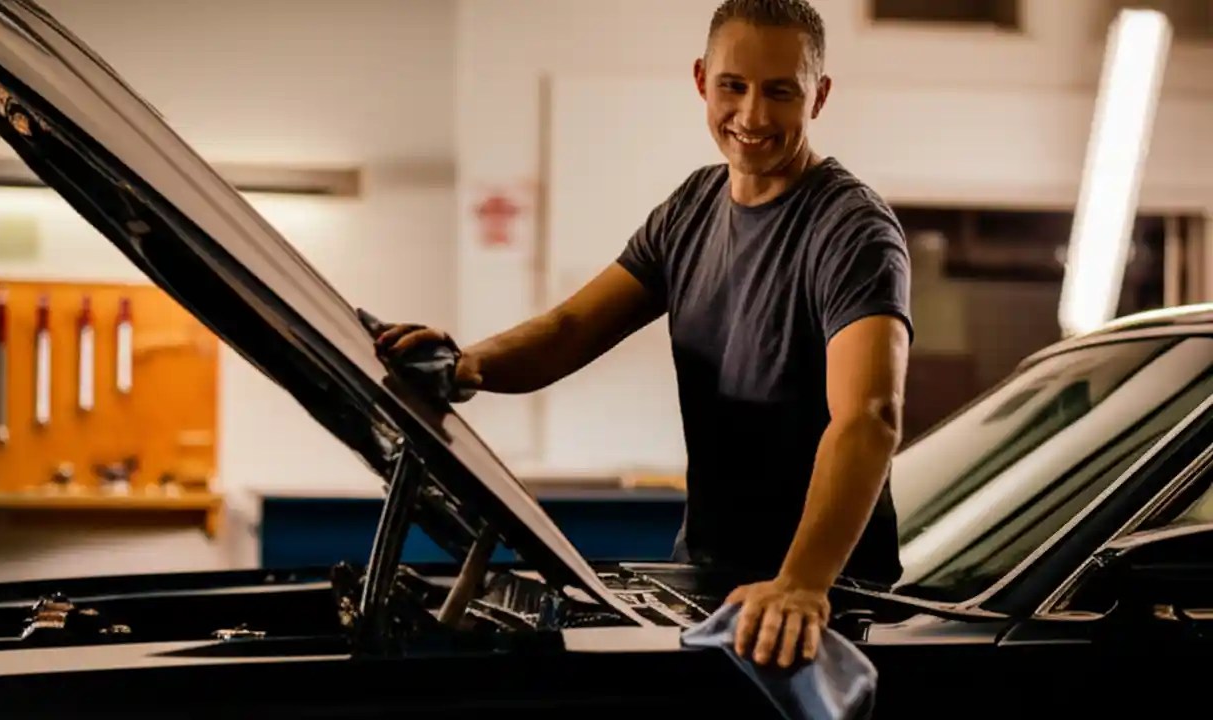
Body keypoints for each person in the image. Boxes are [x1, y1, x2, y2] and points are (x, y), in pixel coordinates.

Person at [375, 0, 912, 670]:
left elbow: (867, 416)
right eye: (733, 86)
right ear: (700, 81)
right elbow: (572, 327)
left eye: (781, 91)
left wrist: (803, 583)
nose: (751, 115)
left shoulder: (852, 232)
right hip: (710, 583)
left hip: (819, 609)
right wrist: (467, 364)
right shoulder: (692, 208)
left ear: (819, 95)